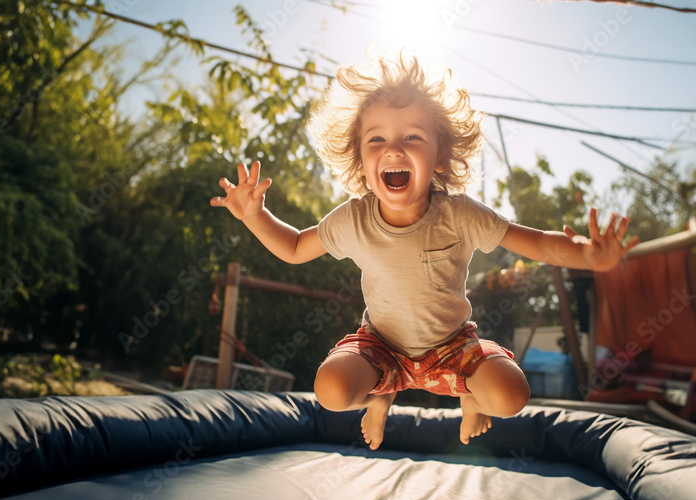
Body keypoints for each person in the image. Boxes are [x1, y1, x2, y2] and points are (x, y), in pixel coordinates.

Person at [210, 52, 638, 449]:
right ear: (360, 161)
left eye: (412, 137)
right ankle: (382, 392)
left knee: (510, 396)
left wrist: (587, 255)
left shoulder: (460, 214)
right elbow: (295, 247)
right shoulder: (354, 219)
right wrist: (253, 216)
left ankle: (468, 396)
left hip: (453, 347)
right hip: (381, 347)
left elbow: (537, 242)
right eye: (376, 140)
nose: (393, 149)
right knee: (332, 391)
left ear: (439, 157)